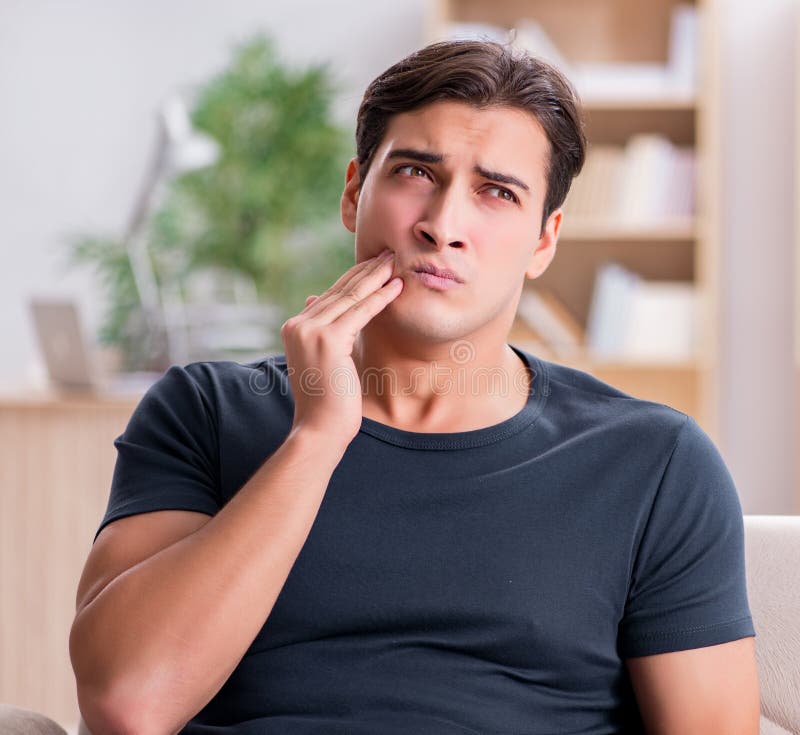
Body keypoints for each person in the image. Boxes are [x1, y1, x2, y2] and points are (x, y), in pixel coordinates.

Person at [69, 39, 759, 734]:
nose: (443, 224)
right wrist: (316, 439)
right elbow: (128, 702)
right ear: (352, 193)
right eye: (416, 173)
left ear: (544, 241)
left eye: (496, 191)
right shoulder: (205, 412)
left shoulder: (654, 463)